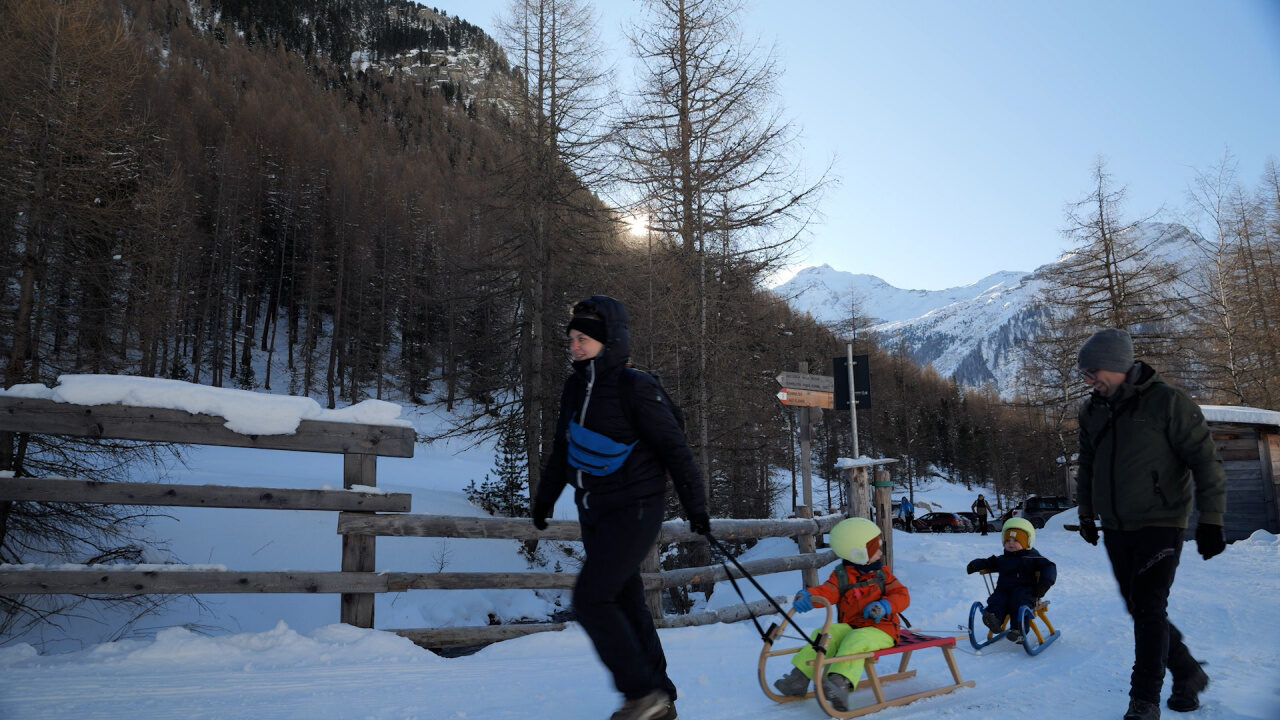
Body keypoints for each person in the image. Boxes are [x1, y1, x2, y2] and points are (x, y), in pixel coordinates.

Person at [531, 296, 710, 720]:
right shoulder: (575, 387)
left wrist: (696, 508)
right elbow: (563, 447)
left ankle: (642, 695)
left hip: (636, 508)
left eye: (583, 338)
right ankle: (660, 695)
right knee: (627, 601)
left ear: (608, 339)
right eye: (572, 338)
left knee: (591, 598)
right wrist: (545, 498)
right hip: (593, 511)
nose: (574, 346)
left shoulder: (636, 387)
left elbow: (675, 449)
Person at [1074, 328, 1226, 720]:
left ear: (1114, 365)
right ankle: (1188, 672)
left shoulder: (1168, 402)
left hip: (1161, 521)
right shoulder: (1092, 411)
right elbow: (1088, 465)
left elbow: (1205, 461)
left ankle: (1144, 700)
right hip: (1116, 526)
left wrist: (1211, 518)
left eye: (1092, 372)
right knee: (1140, 607)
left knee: (1148, 606)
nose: (1088, 381)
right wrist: (1086, 512)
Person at [772, 517, 910, 712]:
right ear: (858, 553)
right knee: (825, 633)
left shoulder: (882, 574)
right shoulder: (842, 576)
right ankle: (799, 678)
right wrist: (810, 596)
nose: (880, 553)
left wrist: (885, 605)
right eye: (874, 549)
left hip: (883, 630)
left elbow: (902, 595)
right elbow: (827, 591)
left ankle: (839, 683)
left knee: (857, 639)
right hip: (852, 627)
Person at [965, 517, 1056, 642]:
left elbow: (1049, 567)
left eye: (1016, 540)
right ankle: (994, 620)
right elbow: (988, 562)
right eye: (1007, 540)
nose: (1010, 543)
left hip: (1026, 593)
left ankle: (1018, 630)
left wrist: (1043, 585)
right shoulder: (1002, 559)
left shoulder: (1032, 558)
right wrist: (976, 564)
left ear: (1027, 542)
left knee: (1019, 603)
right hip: (1004, 590)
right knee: (997, 600)